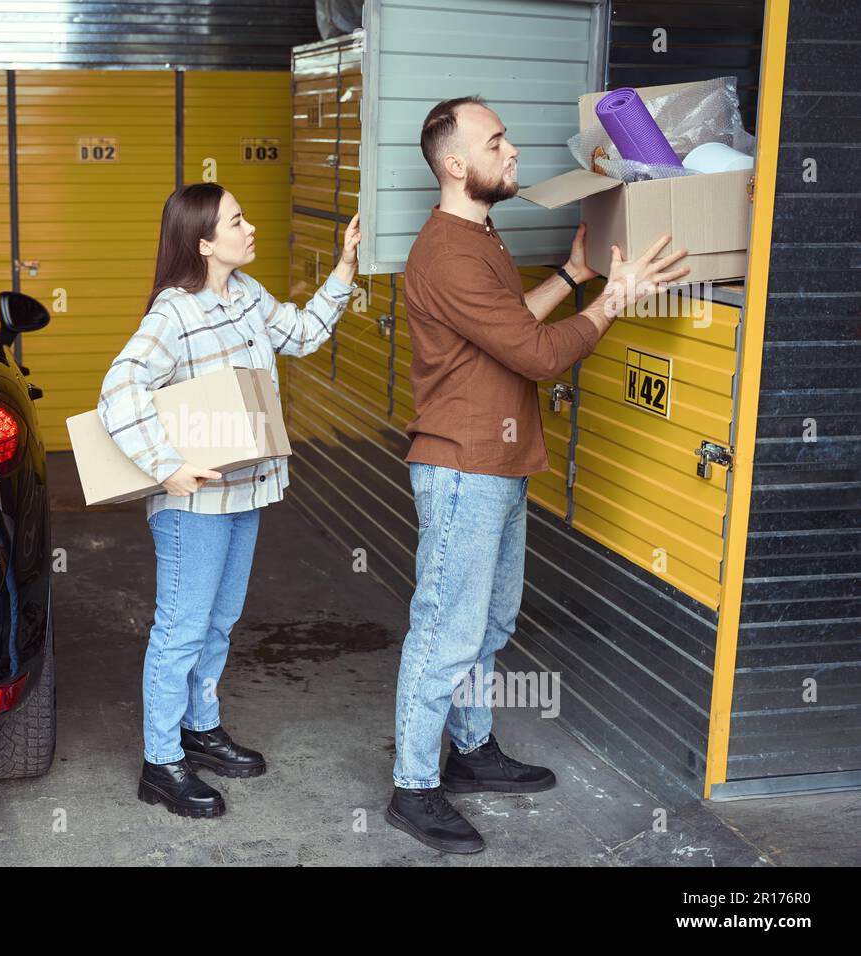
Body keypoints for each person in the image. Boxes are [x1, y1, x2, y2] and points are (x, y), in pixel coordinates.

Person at [388, 95, 690, 853]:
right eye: (497, 142)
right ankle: (412, 786)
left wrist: (572, 273)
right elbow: (541, 355)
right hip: (462, 468)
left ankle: (473, 750)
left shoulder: (477, 235)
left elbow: (512, 323)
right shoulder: (449, 252)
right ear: (457, 165)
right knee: (446, 632)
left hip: (500, 460)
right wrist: (615, 298)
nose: (513, 149)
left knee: (488, 625)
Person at [97, 182, 360, 818]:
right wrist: (168, 466)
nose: (250, 229)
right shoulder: (173, 313)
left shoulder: (245, 296)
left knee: (218, 624)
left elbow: (298, 334)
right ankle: (161, 761)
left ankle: (200, 727)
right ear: (204, 242)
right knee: (181, 631)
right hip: (192, 505)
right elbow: (118, 391)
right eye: (237, 221)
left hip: (246, 490)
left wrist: (346, 267)